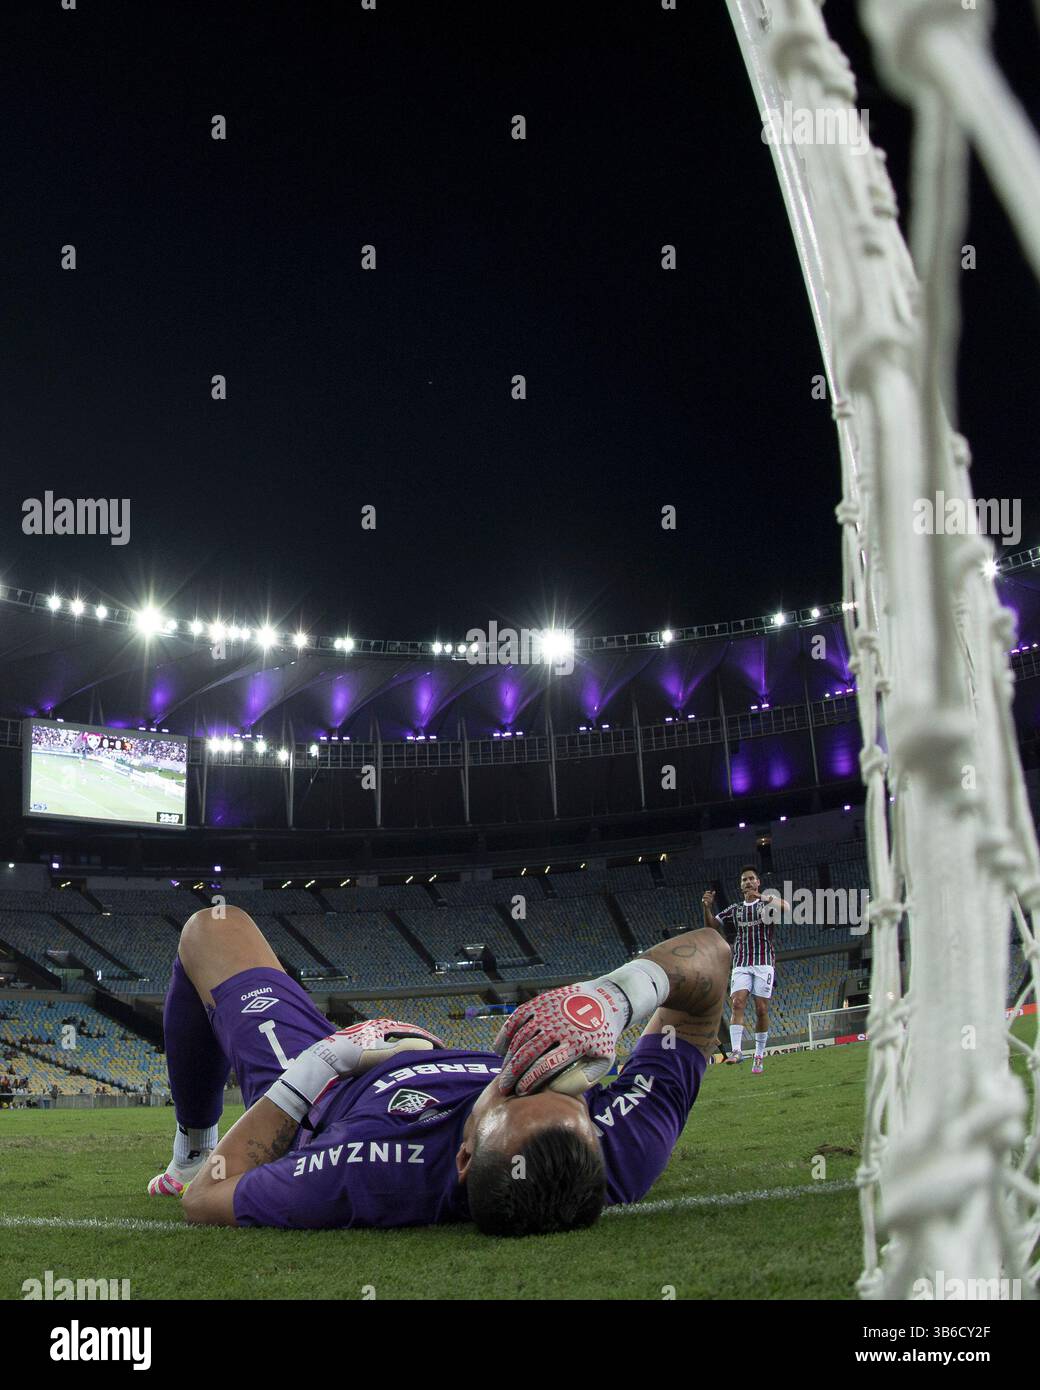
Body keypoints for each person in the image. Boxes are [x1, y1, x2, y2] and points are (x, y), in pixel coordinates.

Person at [148, 905, 729, 1235]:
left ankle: (191, 1145)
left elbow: (206, 1200)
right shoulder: (617, 1148)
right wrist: (615, 996)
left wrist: (324, 1061)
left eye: (515, 1086)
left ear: (466, 1155)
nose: (539, 1071)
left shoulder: (363, 1174)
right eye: (571, 1092)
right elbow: (714, 959)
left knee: (211, 927)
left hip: (326, 1089)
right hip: (408, 1054)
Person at [702, 866, 788, 1073]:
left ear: (758, 882)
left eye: (751, 879)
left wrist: (761, 896)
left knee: (761, 1009)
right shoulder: (735, 909)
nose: (748, 882)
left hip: (764, 962)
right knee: (738, 1003)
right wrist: (706, 907)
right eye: (744, 880)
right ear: (740, 885)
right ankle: (737, 1051)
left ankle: (758, 1056)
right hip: (741, 962)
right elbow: (712, 925)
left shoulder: (766, 904)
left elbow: (785, 906)